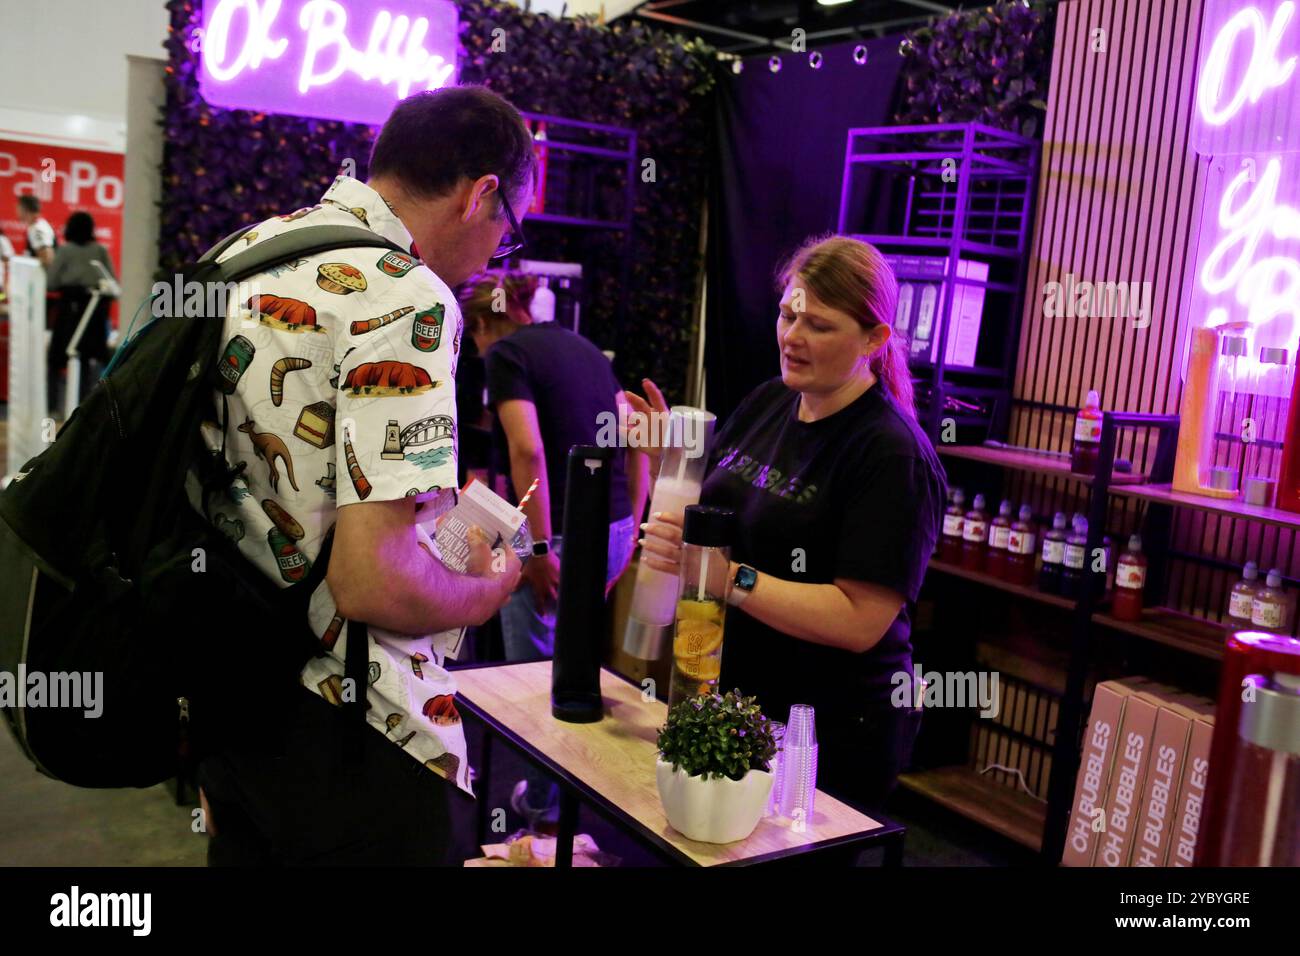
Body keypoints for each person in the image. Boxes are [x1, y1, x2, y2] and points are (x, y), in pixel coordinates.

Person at [192, 85, 534, 865]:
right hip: (354, 729)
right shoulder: (404, 296)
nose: (494, 258)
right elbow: (374, 584)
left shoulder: (243, 251)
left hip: (230, 690)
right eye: (506, 233)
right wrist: (487, 589)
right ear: (483, 195)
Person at [634, 234, 946, 815]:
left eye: (819, 326)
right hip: (740, 699)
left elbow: (860, 621)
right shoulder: (769, 401)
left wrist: (733, 580)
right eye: (787, 314)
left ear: (875, 339)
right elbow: (722, 517)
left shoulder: (890, 456)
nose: (791, 337)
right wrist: (665, 464)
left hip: (827, 728)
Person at [458, 270, 649, 829]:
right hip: (610, 526)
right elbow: (633, 436)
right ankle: (559, 798)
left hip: (558, 532)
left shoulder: (506, 355)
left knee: (536, 675)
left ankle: (543, 812)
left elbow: (529, 449)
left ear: (478, 324)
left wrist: (535, 549)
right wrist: (631, 526)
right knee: (574, 670)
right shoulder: (583, 346)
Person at [46, 211, 115, 412]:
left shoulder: (66, 251)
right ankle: (83, 408)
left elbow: (51, 282)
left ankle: (52, 407)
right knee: (86, 360)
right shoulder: (100, 250)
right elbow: (111, 282)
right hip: (94, 311)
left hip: (69, 310)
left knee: (56, 360)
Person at [16, 195, 55, 268]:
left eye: (18, 208)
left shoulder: (37, 229)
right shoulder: (35, 226)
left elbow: (48, 258)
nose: (16, 211)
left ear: (25, 209)